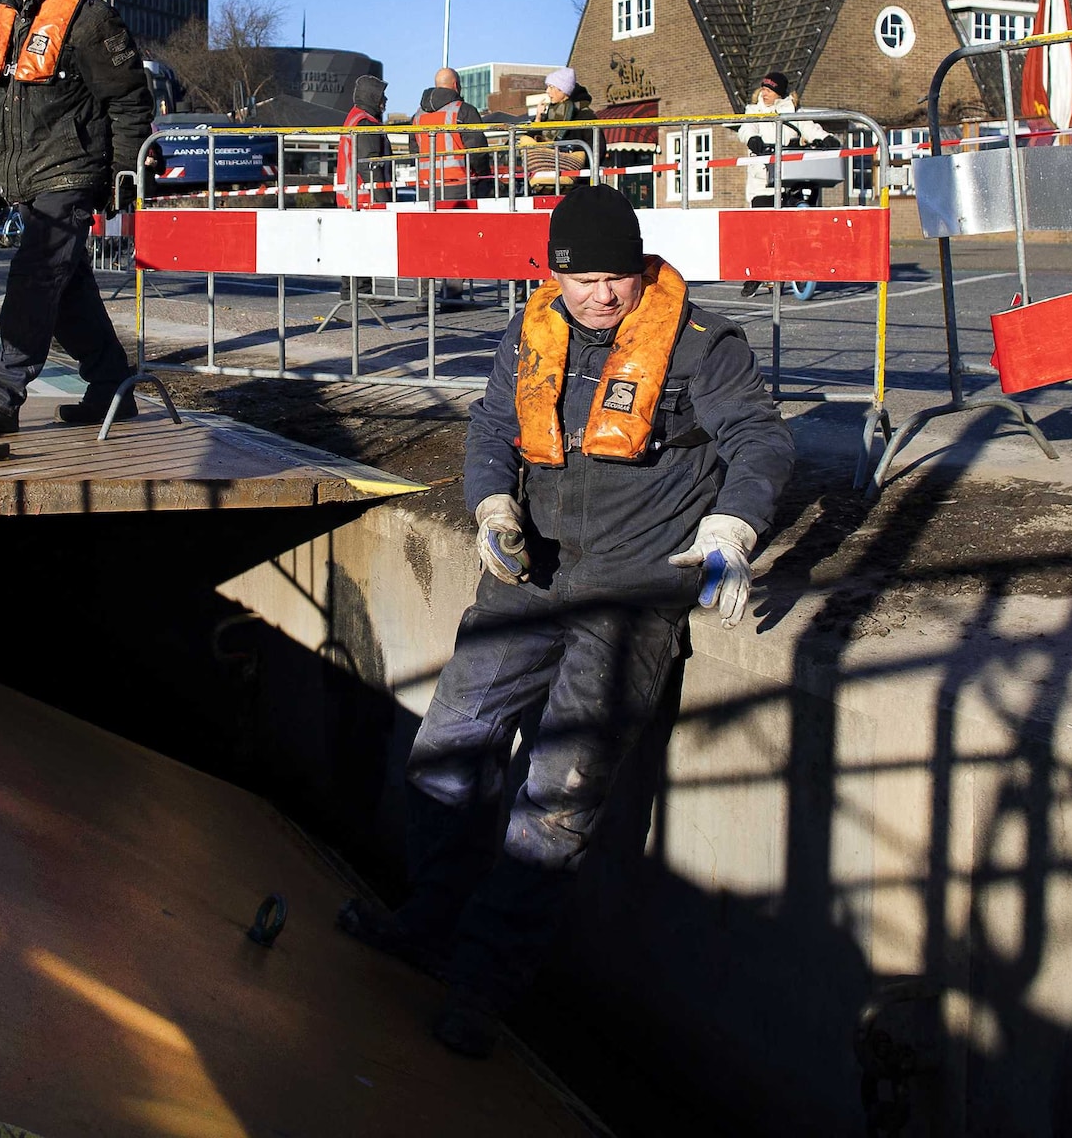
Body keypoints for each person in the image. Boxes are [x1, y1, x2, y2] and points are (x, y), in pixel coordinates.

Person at [334, 185, 794, 1058]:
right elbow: (491, 432)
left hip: (631, 594)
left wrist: (732, 527)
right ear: (554, 272)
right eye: (582, 278)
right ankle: (428, 919)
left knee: (557, 798)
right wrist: (493, 509)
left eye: (618, 277)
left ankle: (481, 985)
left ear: (640, 267)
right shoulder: (532, 329)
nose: (602, 296)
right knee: (448, 746)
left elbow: (762, 442)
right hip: (530, 575)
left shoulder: (702, 345)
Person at [0, 0, 153, 433]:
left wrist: (125, 173)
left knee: (36, 276)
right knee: (66, 289)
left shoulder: (88, 19)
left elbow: (128, 99)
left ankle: (2, 393)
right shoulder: (12, 22)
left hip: (71, 171)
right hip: (33, 175)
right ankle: (111, 386)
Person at [739, 71, 832, 297]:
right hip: (764, 180)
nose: (765, 93)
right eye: (763, 89)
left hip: (791, 177)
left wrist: (825, 138)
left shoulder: (791, 112)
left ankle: (790, 269)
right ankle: (756, 273)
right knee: (762, 231)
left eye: (769, 90)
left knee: (793, 227)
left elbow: (809, 127)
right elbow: (746, 128)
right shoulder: (754, 111)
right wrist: (753, 140)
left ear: (779, 93)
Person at [411, 66, 488, 201]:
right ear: (456, 85)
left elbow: (414, 152)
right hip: (459, 186)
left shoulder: (417, 117)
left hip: (426, 187)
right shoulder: (464, 110)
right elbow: (477, 150)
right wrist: (484, 177)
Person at [338, 72, 390, 205]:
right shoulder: (364, 122)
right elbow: (369, 165)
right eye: (381, 96)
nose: (385, 99)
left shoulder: (356, 118)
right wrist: (384, 201)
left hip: (354, 199)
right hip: (365, 201)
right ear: (372, 97)